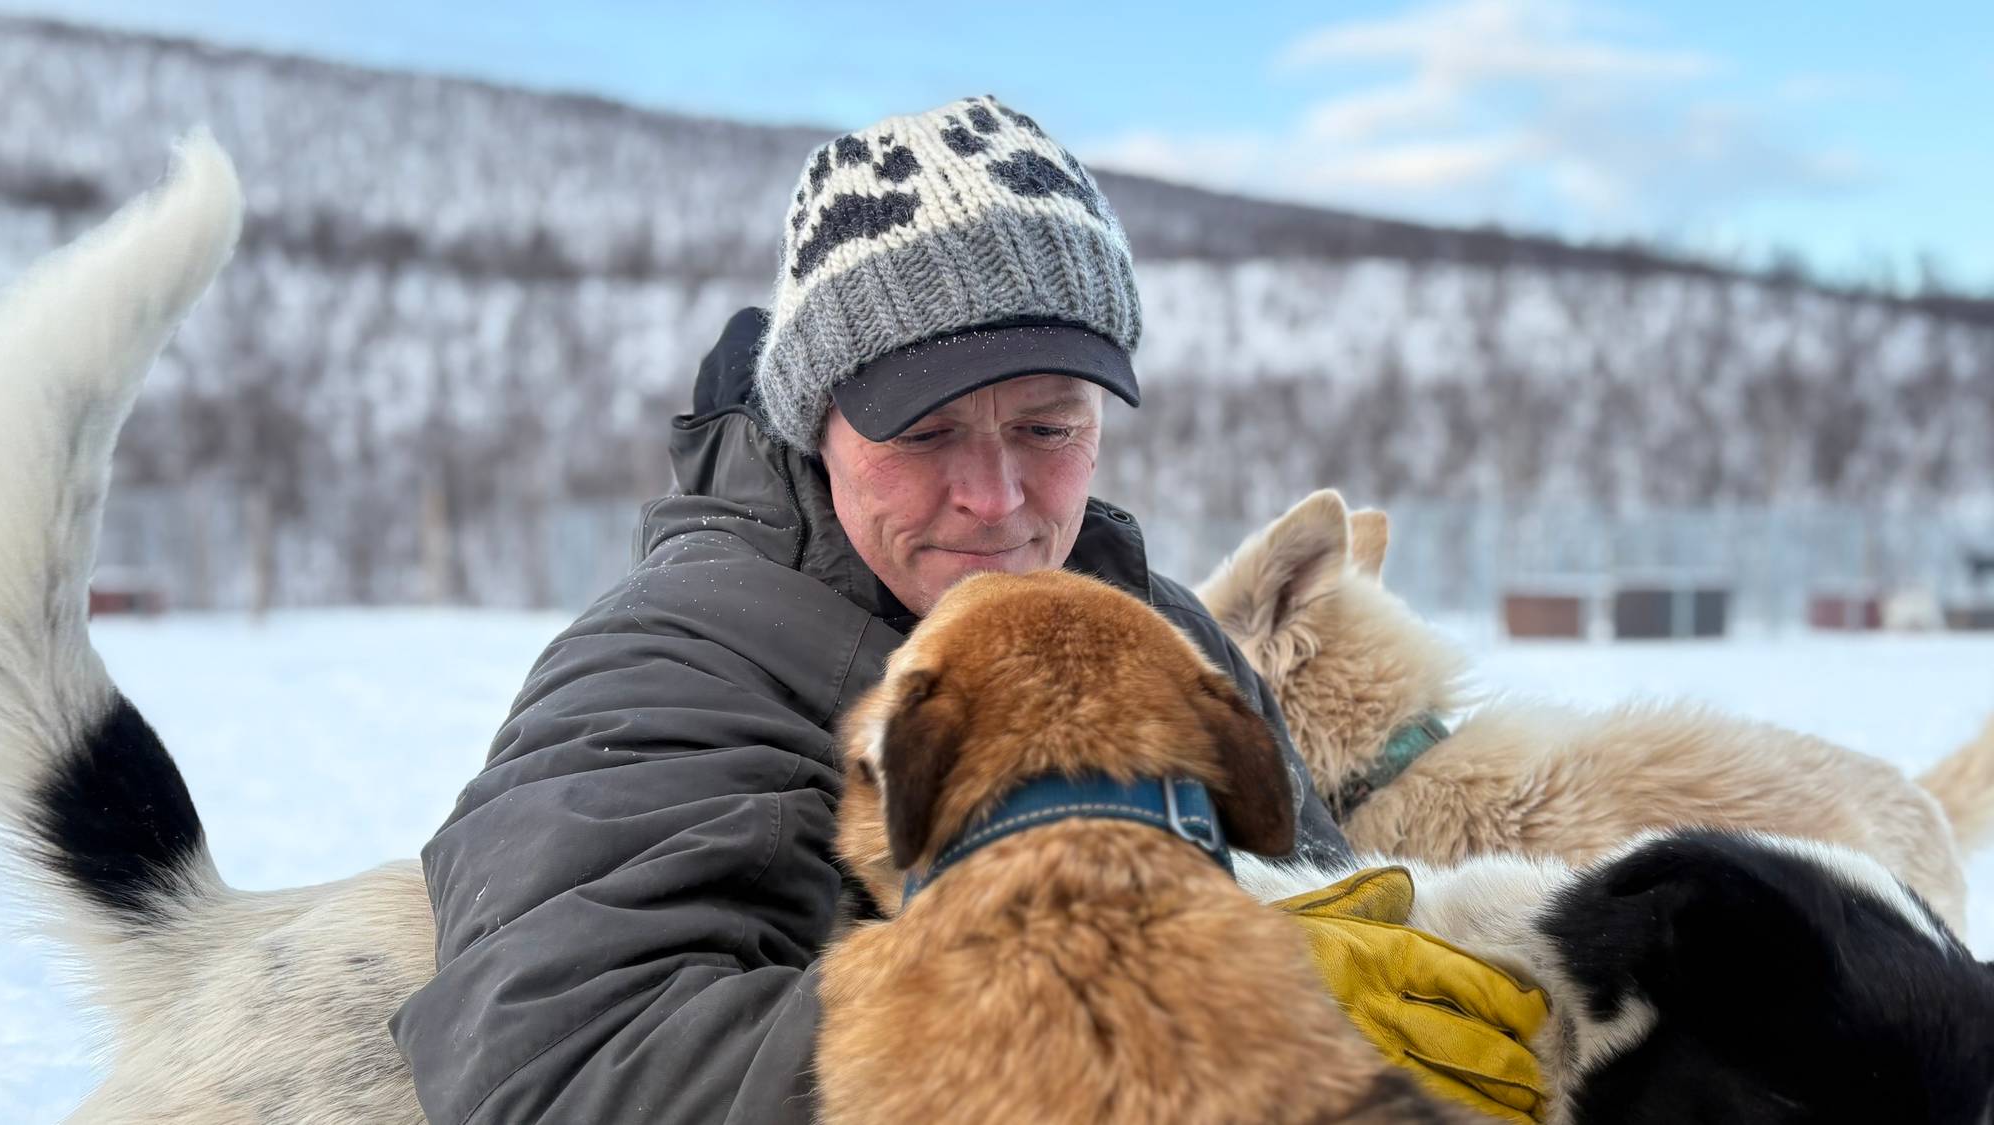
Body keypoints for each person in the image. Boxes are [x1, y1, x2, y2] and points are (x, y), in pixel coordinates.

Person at [390, 95, 1531, 1123]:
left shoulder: (1161, 627)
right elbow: (562, 1072)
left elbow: (1323, 898)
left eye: (1049, 427)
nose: (995, 501)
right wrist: (1125, 997)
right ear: (815, 423)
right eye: (922, 432)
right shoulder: (673, 664)